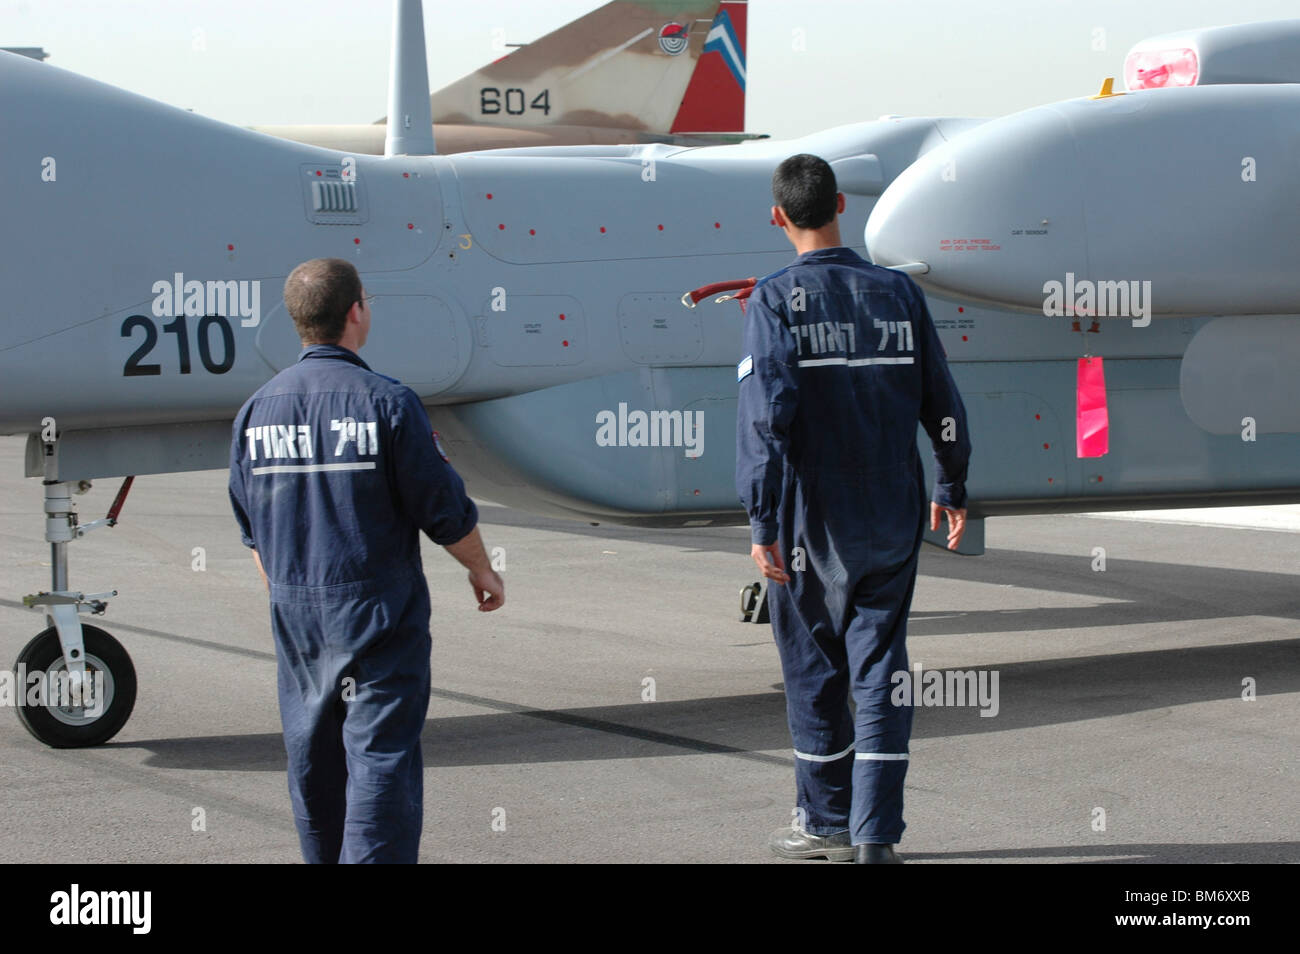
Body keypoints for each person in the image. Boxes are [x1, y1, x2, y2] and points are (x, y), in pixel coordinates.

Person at [736, 154, 971, 864]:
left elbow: (765, 421)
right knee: (880, 670)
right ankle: (876, 838)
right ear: (841, 202)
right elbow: (943, 402)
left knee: (814, 668)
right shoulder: (897, 292)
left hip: (814, 517)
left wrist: (762, 523)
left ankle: (826, 822)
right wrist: (951, 486)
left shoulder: (775, 300)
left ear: (778, 216)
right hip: (892, 512)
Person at [229, 257, 504, 864]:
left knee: (313, 759)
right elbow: (444, 508)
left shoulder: (256, 411)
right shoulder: (389, 403)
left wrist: (291, 592)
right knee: (380, 757)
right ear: (356, 311)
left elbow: (254, 533)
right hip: (377, 610)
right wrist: (481, 568)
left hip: (298, 613)